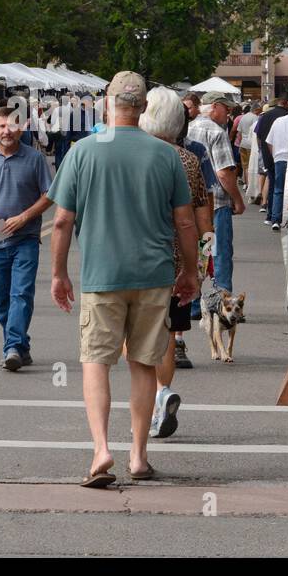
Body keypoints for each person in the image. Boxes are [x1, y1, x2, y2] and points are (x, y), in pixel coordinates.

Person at [48, 72, 199, 487]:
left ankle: (100, 449)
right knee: (143, 363)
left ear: (106, 105)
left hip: (102, 274)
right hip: (153, 276)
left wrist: (59, 274)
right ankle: (138, 455)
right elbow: (185, 224)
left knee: (96, 361)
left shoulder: (82, 152)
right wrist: (190, 272)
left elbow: (61, 222)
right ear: (143, 107)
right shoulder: (166, 155)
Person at [140, 88, 213, 439]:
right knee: (169, 333)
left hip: (137, 261)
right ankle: (161, 393)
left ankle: (148, 401)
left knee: (134, 334)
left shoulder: (134, 155)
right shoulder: (188, 160)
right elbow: (201, 214)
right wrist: (203, 259)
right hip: (177, 263)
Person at [0, 106, 54, 371]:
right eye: (1, 127)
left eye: (12, 126)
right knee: (2, 301)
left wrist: (25, 216)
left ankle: (13, 347)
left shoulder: (34, 159)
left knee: (21, 294)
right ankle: (20, 346)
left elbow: (49, 195)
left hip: (26, 238)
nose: (7, 131)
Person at [189, 92, 246, 297]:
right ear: (214, 107)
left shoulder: (187, 128)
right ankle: (222, 299)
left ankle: (194, 300)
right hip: (217, 202)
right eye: (226, 108)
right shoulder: (216, 132)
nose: (229, 113)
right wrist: (238, 201)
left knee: (200, 252)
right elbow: (224, 173)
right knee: (219, 252)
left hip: (193, 202)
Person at [266, 98, 288, 231]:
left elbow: (269, 141)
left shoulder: (278, 121)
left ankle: (275, 219)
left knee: (278, 189)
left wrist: (274, 156)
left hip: (279, 158)